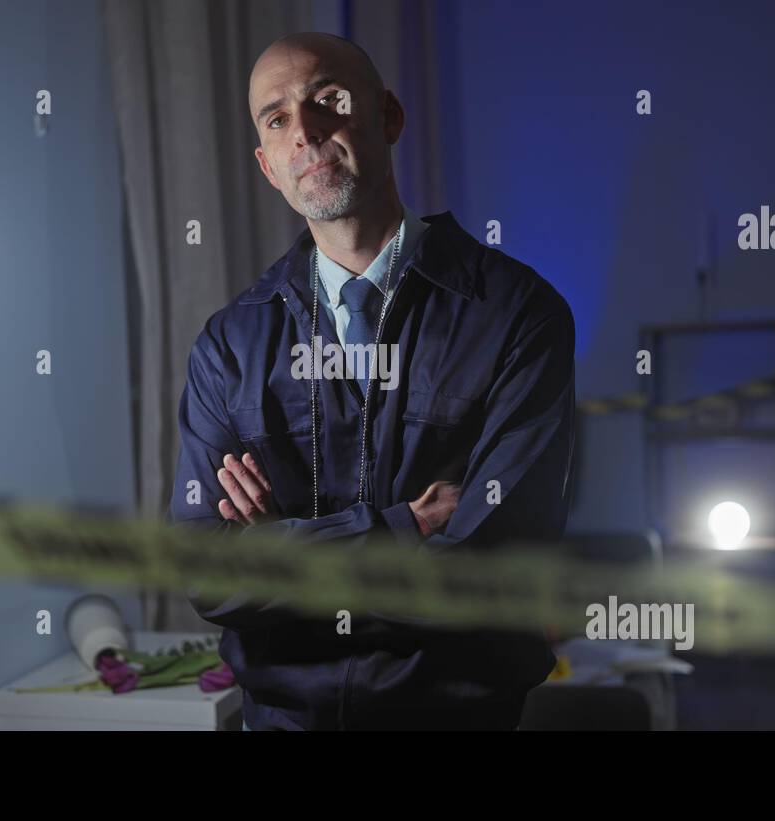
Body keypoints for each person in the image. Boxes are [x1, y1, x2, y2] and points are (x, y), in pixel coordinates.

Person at [169, 32, 576, 730]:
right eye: (277, 119)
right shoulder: (230, 346)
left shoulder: (518, 315)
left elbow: (488, 572)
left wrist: (284, 550)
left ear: (388, 117)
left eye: (328, 99)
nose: (307, 132)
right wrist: (402, 526)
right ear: (268, 166)